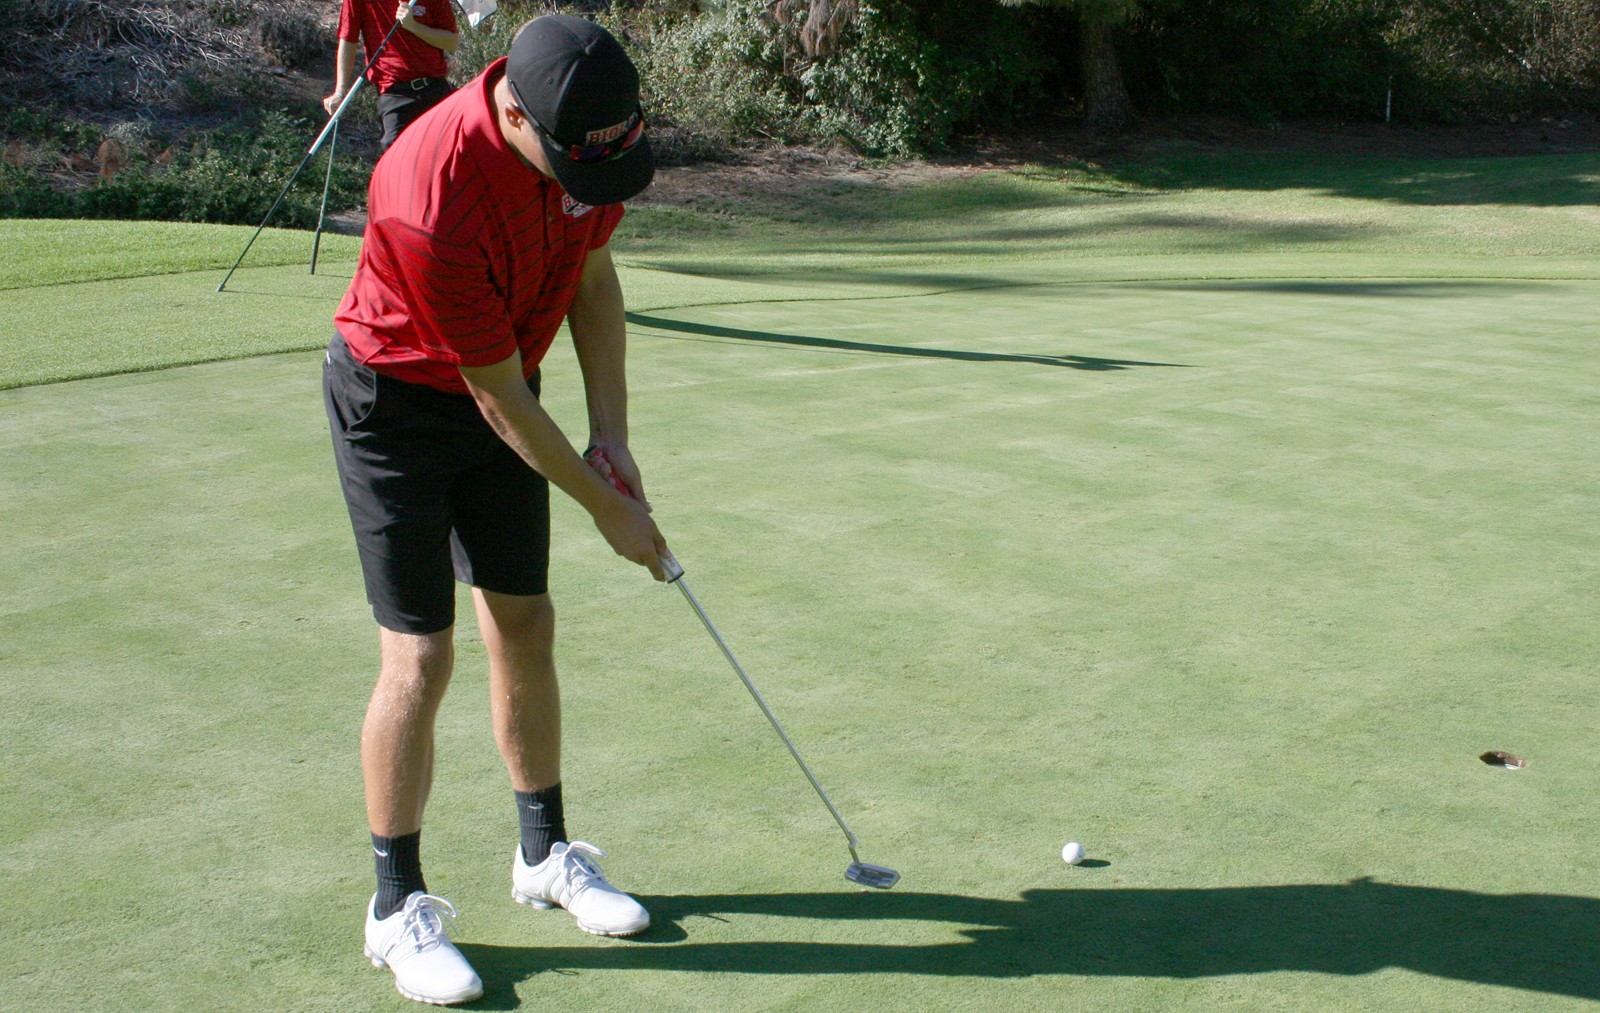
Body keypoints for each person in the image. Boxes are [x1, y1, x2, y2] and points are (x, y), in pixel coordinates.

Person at [322, 14, 661, 1005]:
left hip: (506, 379)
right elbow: (498, 399)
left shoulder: (588, 140)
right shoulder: (431, 190)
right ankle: (395, 907)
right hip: (397, 406)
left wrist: (613, 436)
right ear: (511, 105)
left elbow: (593, 280)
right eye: (566, 166)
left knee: (526, 618)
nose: (579, 187)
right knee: (420, 654)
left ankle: (544, 853)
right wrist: (607, 510)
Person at [324, 0, 460, 151]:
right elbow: (348, 38)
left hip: (434, 87)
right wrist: (340, 91)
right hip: (394, 93)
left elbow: (451, 42)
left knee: (447, 151)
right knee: (394, 150)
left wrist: (414, 26)